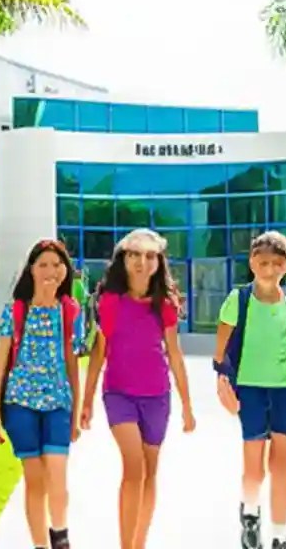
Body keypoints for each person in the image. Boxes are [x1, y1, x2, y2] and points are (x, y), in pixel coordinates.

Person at [81, 228, 196, 549]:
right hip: (118, 394)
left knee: (150, 472)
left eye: (149, 256)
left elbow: (175, 355)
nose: (141, 262)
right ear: (123, 259)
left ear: (158, 262)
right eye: (134, 254)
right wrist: (87, 401)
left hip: (157, 396)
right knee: (134, 467)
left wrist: (187, 406)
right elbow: (98, 352)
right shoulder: (110, 302)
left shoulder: (165, 305)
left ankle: (138, 543)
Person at [213, 231, 286, 549]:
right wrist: (222, 381)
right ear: (252, 263)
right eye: (263, 263)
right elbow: (221, 349)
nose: (270, 269)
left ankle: (280, 534)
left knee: (281, 462)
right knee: (254, 464)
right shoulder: (239, 300)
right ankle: (250, 512)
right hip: (250, 389)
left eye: (276, 263)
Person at [0, 239, 86, 549]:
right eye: (43, 265)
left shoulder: (70, 312)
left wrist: (76, 412)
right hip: (20, 404)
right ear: (32, 270)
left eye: (57, 264)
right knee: (35, 480)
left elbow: (72, 365)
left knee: (58, 476)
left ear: (66, 270)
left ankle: (61, 535)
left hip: (58, 403)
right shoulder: (16, 311)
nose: (51, 271)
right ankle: (41, 545)